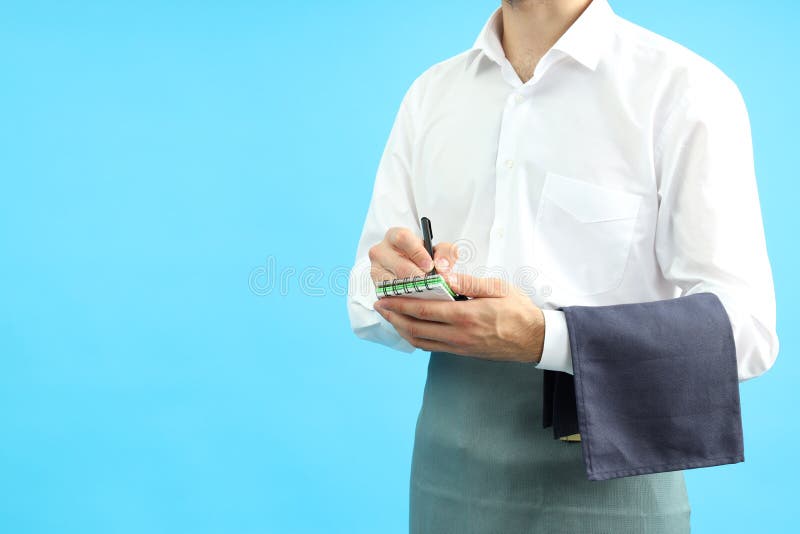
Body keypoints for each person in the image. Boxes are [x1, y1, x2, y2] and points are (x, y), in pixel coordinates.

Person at [346, 0, 779, 532]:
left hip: (614, 477)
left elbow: (746, 332)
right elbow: (366, 300)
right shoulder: (431, 94)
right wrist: (395, 281)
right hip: (446, 474)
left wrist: (543, 337)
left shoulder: (684, 91)